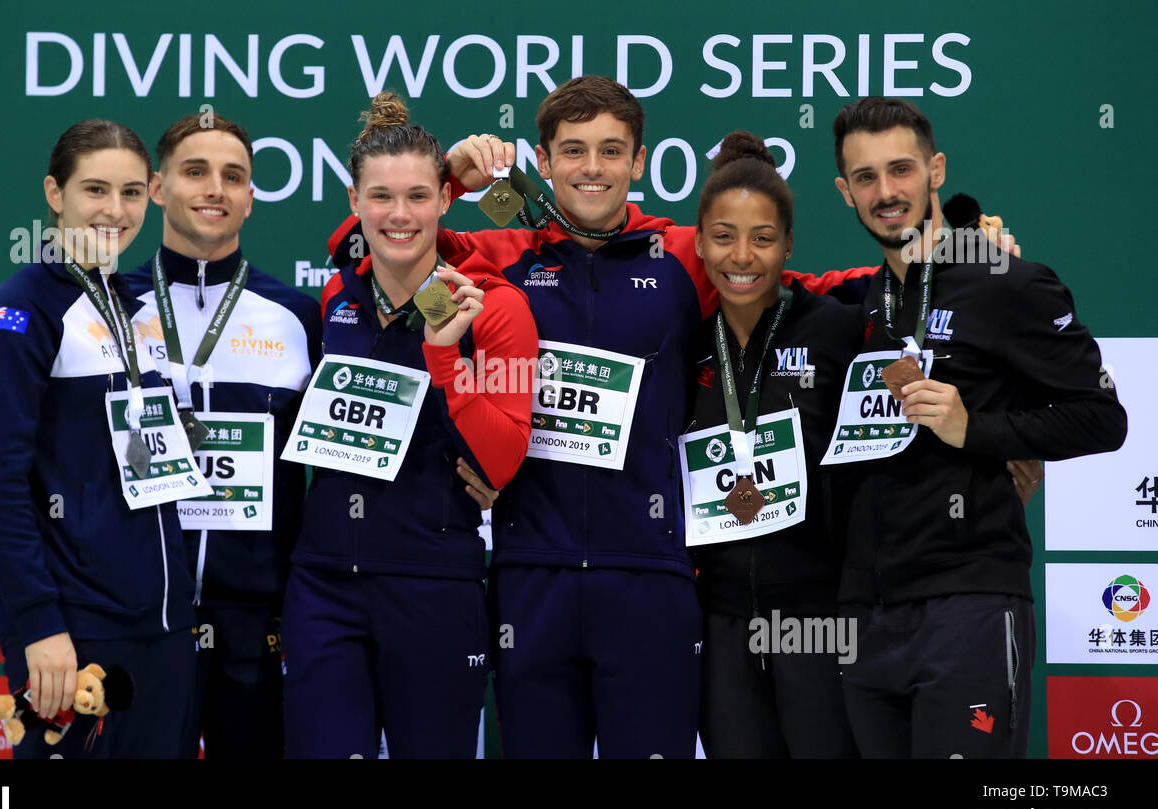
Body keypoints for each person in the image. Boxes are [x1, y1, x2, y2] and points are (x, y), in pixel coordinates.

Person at [440, 76, 871, 758]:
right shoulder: (502, 255)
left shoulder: (677, 255)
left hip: (651, 577)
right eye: (573, 150)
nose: (592, 167)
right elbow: (378, 251)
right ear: (542, 162)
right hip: (531, 576)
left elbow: (796, 288)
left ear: (638, 163)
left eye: (611, 151)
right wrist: (446, 182)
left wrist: (946, 263)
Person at [827, 96, 1128, 757]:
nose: (887, 192)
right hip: (864, 618)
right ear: (844, 191)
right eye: (867, 177)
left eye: (901, 169)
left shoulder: (1009, 282)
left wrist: (976, 429)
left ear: (936, 169)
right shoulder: (860, 304)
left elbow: (1102, 418)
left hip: (970, 605)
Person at [281, 92, 538, 758]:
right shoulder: (339, 291)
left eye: (420, 196)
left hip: (434, 585)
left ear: (446, 200)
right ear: (354, 202)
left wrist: (445, 355)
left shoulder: (494, 306)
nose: (400, 215)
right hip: (324, 587)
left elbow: (504, 458)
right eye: (382, 198)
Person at [0, 119, 197, 758]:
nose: (114, 211)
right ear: (54, 193)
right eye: (94, 190)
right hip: (74, 633)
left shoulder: (135, 305)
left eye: (129, 192)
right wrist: (40, 625)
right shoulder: (20, 312)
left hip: (165, 627)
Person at [126, 114, 322, 758]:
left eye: (233, 177)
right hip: (139, 614)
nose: (216, 189)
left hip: (257, 625)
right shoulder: (109, 309)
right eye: (195, 172)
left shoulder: (297, 315)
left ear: (251, 197)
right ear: (156, 188)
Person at [687, 131, 861, 758]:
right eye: (725, 237)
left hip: (821, 614)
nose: (743, 256)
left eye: (762, 239)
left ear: (788, 244)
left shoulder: (837, 331)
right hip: (723, 617)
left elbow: (917, 382)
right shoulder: (684, 345)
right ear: (700, 241)